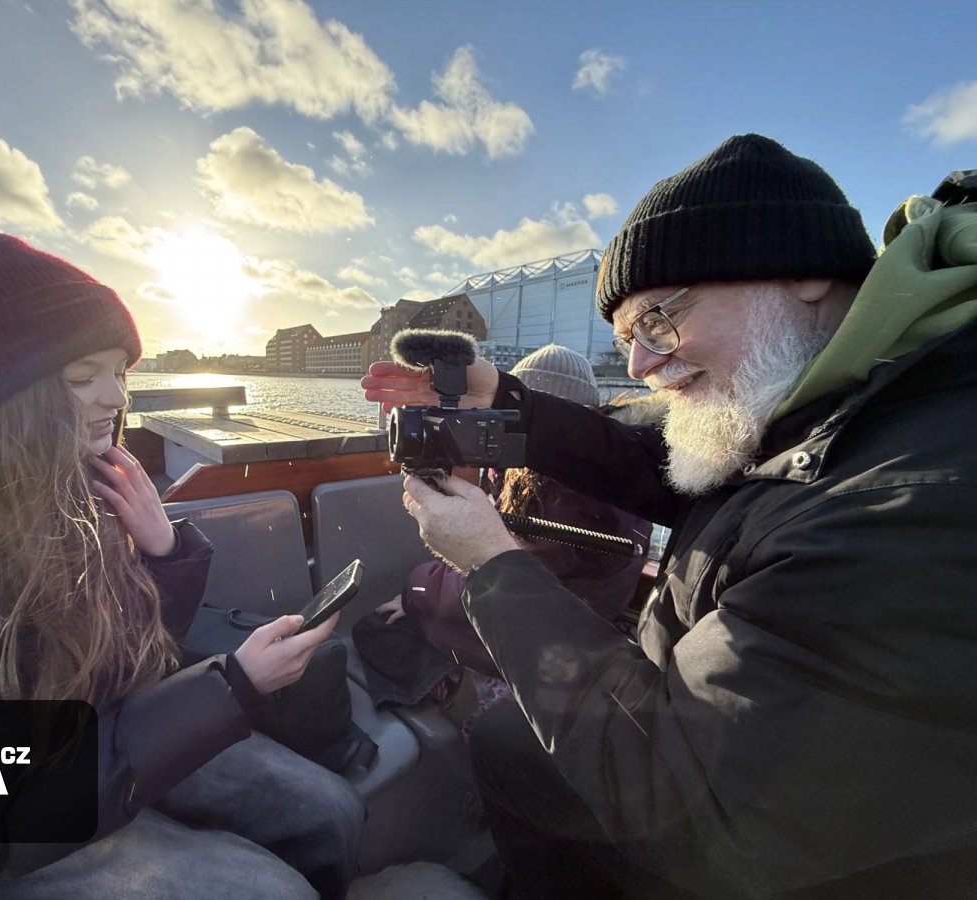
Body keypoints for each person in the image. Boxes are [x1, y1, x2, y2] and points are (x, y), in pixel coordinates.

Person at [362, 135, 977, 897]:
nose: (640, 367)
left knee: (510, 749)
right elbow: (666, 459)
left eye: (658, 320)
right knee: (508, 740)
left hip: (733, 847)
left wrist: (490, 563)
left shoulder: (905, 507)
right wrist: (500, 400)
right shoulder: (843, 398)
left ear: (803, 270)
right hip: (718, 750)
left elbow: (686, 801)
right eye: (625, 340)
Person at [0, 233, 364, 899]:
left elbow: (110, 673)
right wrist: (230, 689)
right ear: (9, 392)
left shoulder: (54, 490)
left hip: (74, 749)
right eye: (84, 377)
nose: (114, 398)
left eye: (120, 371)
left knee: (326, 813)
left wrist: (161, 556)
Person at [376, 345, 653, 680]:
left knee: (376, 630)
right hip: (582, 625)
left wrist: (414, 591)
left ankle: (460, 697)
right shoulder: (622, 467)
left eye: (497, 416)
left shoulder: (554, 494)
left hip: (533, 649)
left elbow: (498, 582)